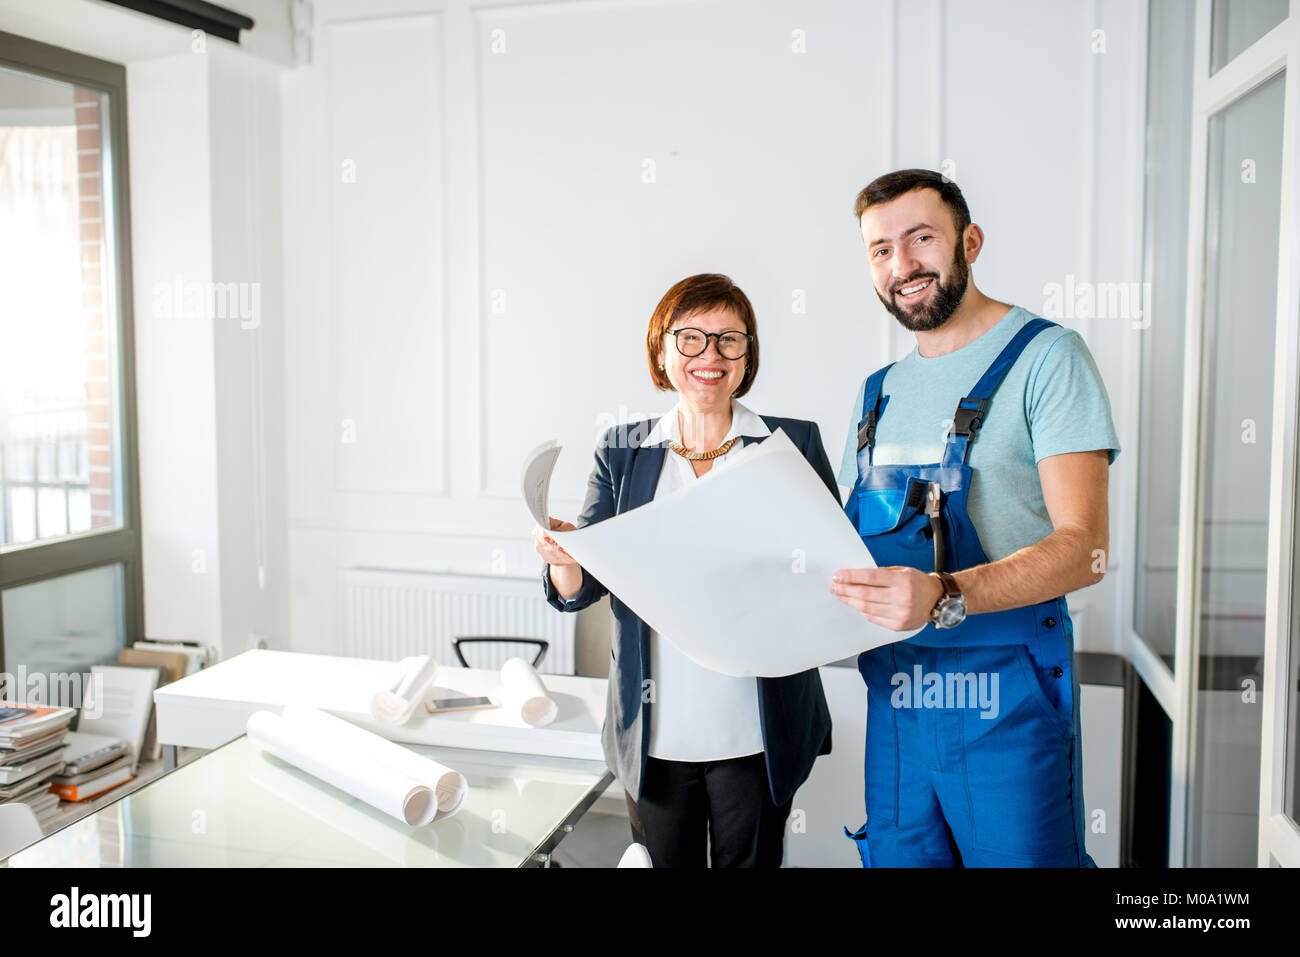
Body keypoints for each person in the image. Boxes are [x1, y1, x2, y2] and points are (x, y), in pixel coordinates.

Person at [828, 169, 1120, 867]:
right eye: (880, 250)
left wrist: (945, 593)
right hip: (894, 700)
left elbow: (1086, 549)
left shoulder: (1048, 358)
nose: (902, 266)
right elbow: (843, 543)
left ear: (970, 241)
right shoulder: (879, 392)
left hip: (1006, 697)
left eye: (920, 238)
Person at [533, 273, 834, 868]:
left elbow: (827, 569)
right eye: (690, 338)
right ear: (662, 351)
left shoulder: (789, 442)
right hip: (656, 729)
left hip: (757, 725)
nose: (711, 356)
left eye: (730, 339)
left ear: (747, 355)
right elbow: (581, 587)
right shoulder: (622, 450)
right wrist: (566, 560)